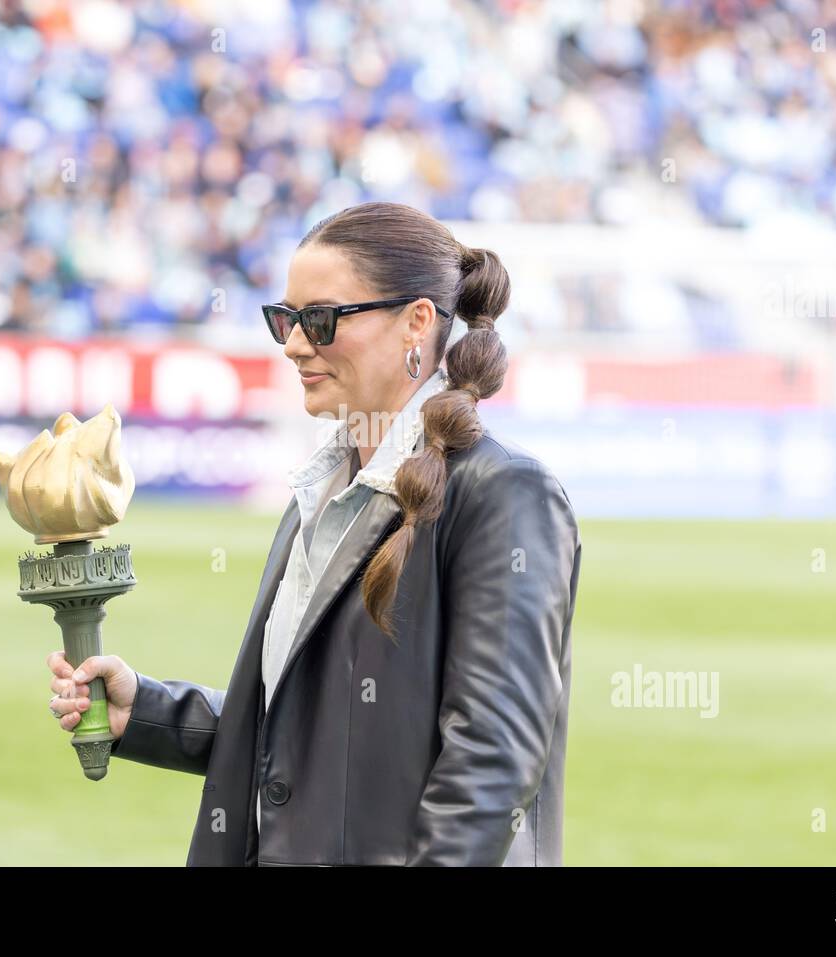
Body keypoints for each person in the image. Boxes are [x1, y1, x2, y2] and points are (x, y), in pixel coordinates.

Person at [46, 201, 582, 866]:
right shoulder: (321, 490)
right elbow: (313, 739)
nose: (295, 343)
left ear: (417, 321)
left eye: (321, 319)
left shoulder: (504, 492)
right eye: (287, 319)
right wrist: (152, 712)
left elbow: (491, 764)